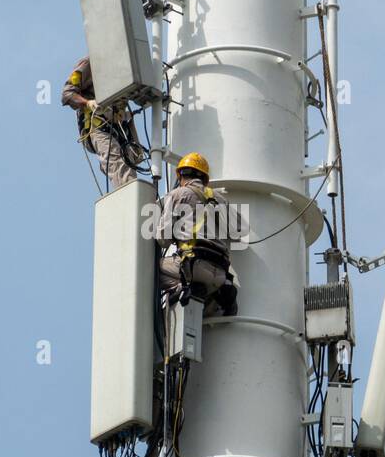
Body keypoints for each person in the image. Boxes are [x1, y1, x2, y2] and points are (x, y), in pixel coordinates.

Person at [156, 152, 247, 318]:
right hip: (220, 273)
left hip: (191, 267)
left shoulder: (177, 195)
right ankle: (221, 295)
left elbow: (163, 239)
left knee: (153, 270)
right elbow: (240, 231)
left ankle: (181, 287)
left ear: (181, 175)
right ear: (205, 178)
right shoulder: (218, 198)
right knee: (204, 306)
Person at [61, 56, 144, 190]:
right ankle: (131, 198)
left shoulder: (125, 65)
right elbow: (67, 94)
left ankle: (134, 197)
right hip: (100, 127)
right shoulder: (90, 63)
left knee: (133, 160)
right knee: (120, 166)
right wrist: (87, 103)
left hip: (121, 128)